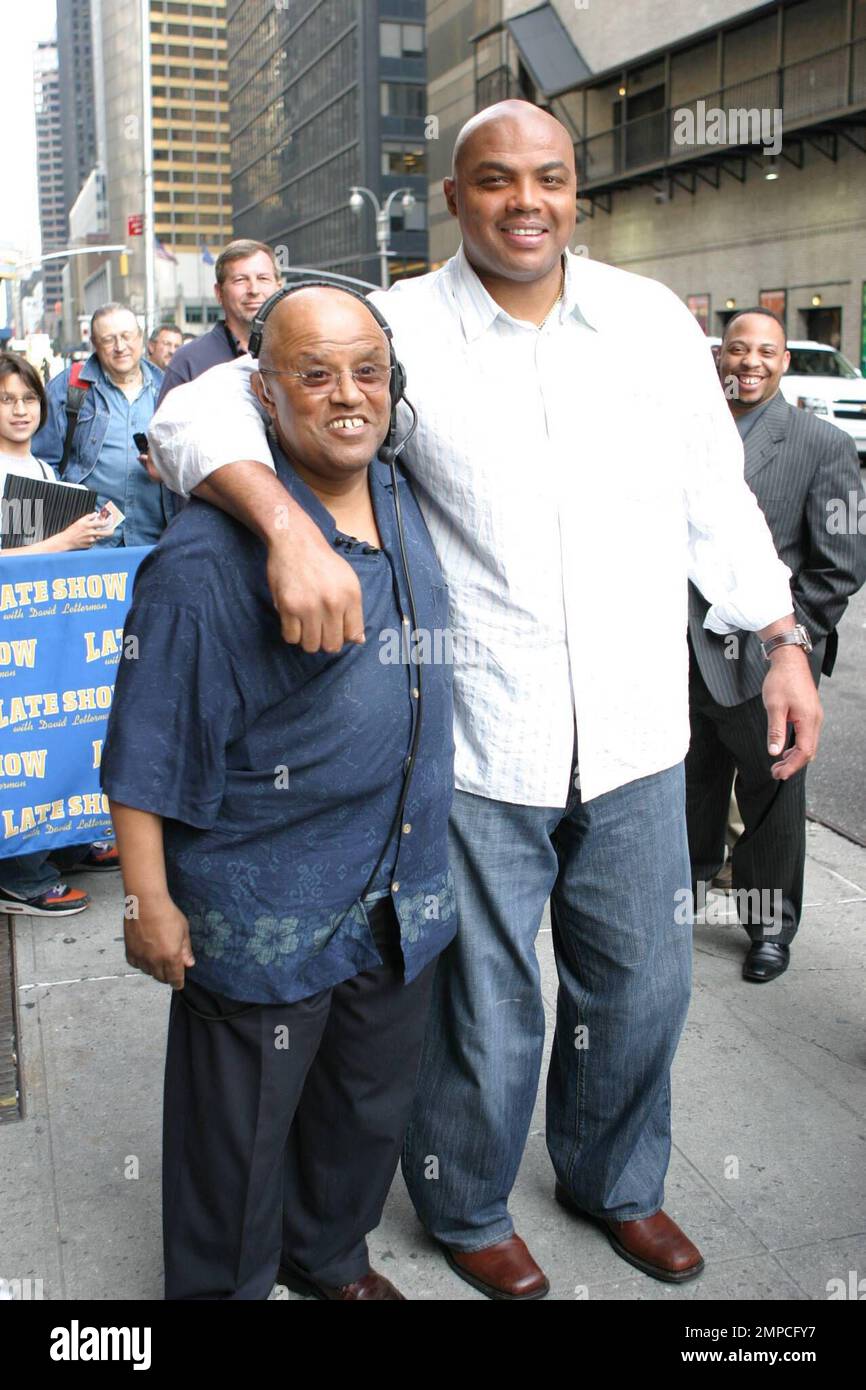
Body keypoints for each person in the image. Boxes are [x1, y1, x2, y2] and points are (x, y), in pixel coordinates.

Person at [147, 101, 822, 1299]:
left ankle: (616, 1181)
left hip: (632, 730)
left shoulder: (650, 324)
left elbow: (711, 496)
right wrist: (279, 531)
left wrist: (776, 637)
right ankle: (464, 1202)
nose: (525, 201)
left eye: (548, 178)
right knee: (481, 1002)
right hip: (474, 736)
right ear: (452, 200)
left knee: (644, 986)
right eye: (494, 180)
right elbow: (200, 409)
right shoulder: (398, 327)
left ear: (576, 191)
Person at [101, 285, 456, 1301]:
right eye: (315, 374)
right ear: (260, 393)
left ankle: (330, 1258)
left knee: (361, 1110)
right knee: (236, 1141)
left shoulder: (397, 491)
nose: (348, 396)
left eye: (367, 372)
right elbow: (142, 746)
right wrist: (148, 900)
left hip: (397, 890)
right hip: (264, 903)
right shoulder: (205, 561)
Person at [687, 308, 866, 982]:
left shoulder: (819, 443)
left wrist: (790, 641)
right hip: (680, 658)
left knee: (772, 794)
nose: (749, 363)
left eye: (765, 351)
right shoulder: (693, 435)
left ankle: (769, 930)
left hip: (765, 661)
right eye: (737, 349)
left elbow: (842, 561)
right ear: (719, 358)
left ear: (784, 361)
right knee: (690, 790)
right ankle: (686, 907)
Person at [0, 351, 118, 917]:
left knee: (59, 739)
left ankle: (60, 843)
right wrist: (64, 543)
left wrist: (85, 537)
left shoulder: (44, 472)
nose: (20, 410)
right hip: (11, 644)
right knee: (17, 749)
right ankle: (20, 874)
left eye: (27, 399)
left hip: (50, 636)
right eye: (6, 400)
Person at [31, 304, 165, 547]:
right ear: (94, 342)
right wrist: (62, 532)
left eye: (126, 336)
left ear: (141, 336)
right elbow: (41, 464)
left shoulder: (167, 388)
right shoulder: (69, 387)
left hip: (155, 540)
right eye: (108, 339)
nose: (120, 347)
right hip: (88, 544)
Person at [156, 240, 281, 404]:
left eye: (263, 278)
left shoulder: (298, 353)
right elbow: (166, 428)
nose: (254, 290)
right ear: (219, 293)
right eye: (240, 280)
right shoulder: (188, 362)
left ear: (279, 288)